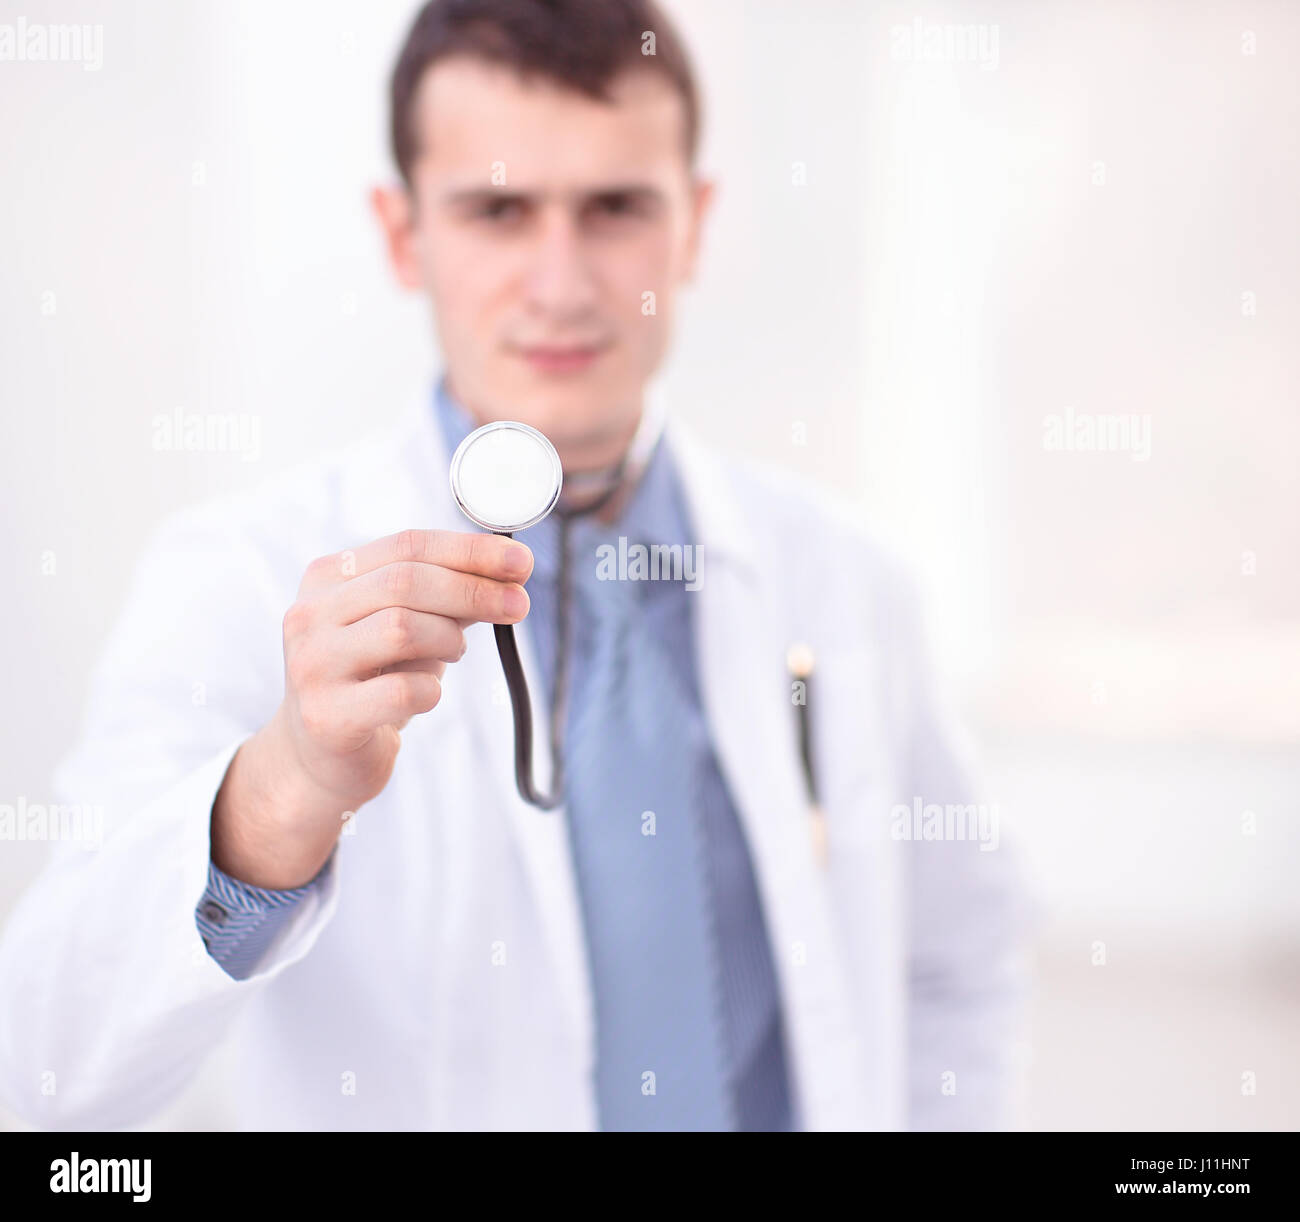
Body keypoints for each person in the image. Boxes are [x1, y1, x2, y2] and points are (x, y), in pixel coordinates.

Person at [0, 0, 1027, 1132]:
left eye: (616, 208)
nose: (561, 282)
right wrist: (280, 792)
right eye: (497, 210)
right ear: (403, 236)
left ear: (693, 226)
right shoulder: (231, 578)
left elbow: (956, 963)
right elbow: (45, 1070)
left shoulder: (848, 580)